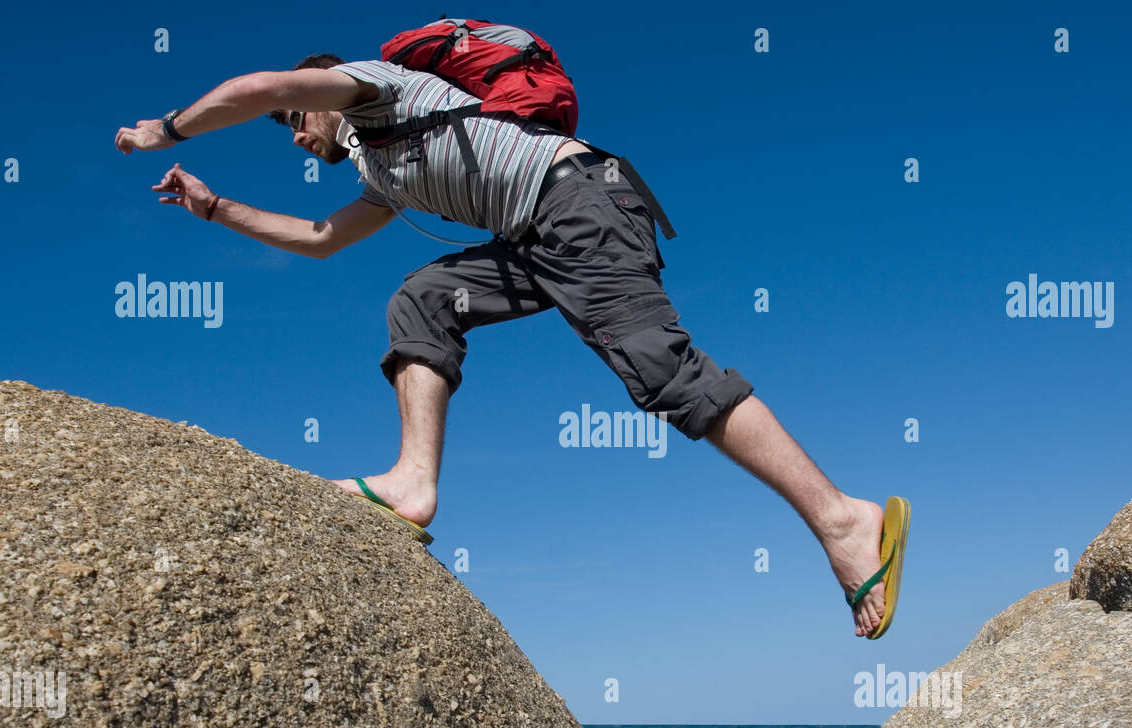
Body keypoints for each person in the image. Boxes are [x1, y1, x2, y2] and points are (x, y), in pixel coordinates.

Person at [113, 50, 908, 638]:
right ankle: (412, 485)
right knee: (422, 301)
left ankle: (842, 517)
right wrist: (215, 207)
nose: (290, 134)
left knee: (661, 370)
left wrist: (168, 129)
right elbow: (321, 238)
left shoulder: (375, 89)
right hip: (535, 236)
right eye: (287, 125)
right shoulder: (382, 172)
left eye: (295, 123)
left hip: (579, 203)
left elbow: (260, 89)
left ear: (323, 93)